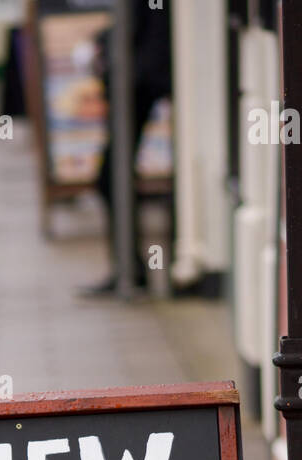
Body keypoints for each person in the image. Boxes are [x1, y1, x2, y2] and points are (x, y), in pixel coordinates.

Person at [80, 0, 172, 296]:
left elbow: (153, 32)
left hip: (138, 86)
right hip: (136, 83)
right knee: (112, 178)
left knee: (111, 178)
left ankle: (130, 271)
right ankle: (129, 269)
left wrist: (130, 76)